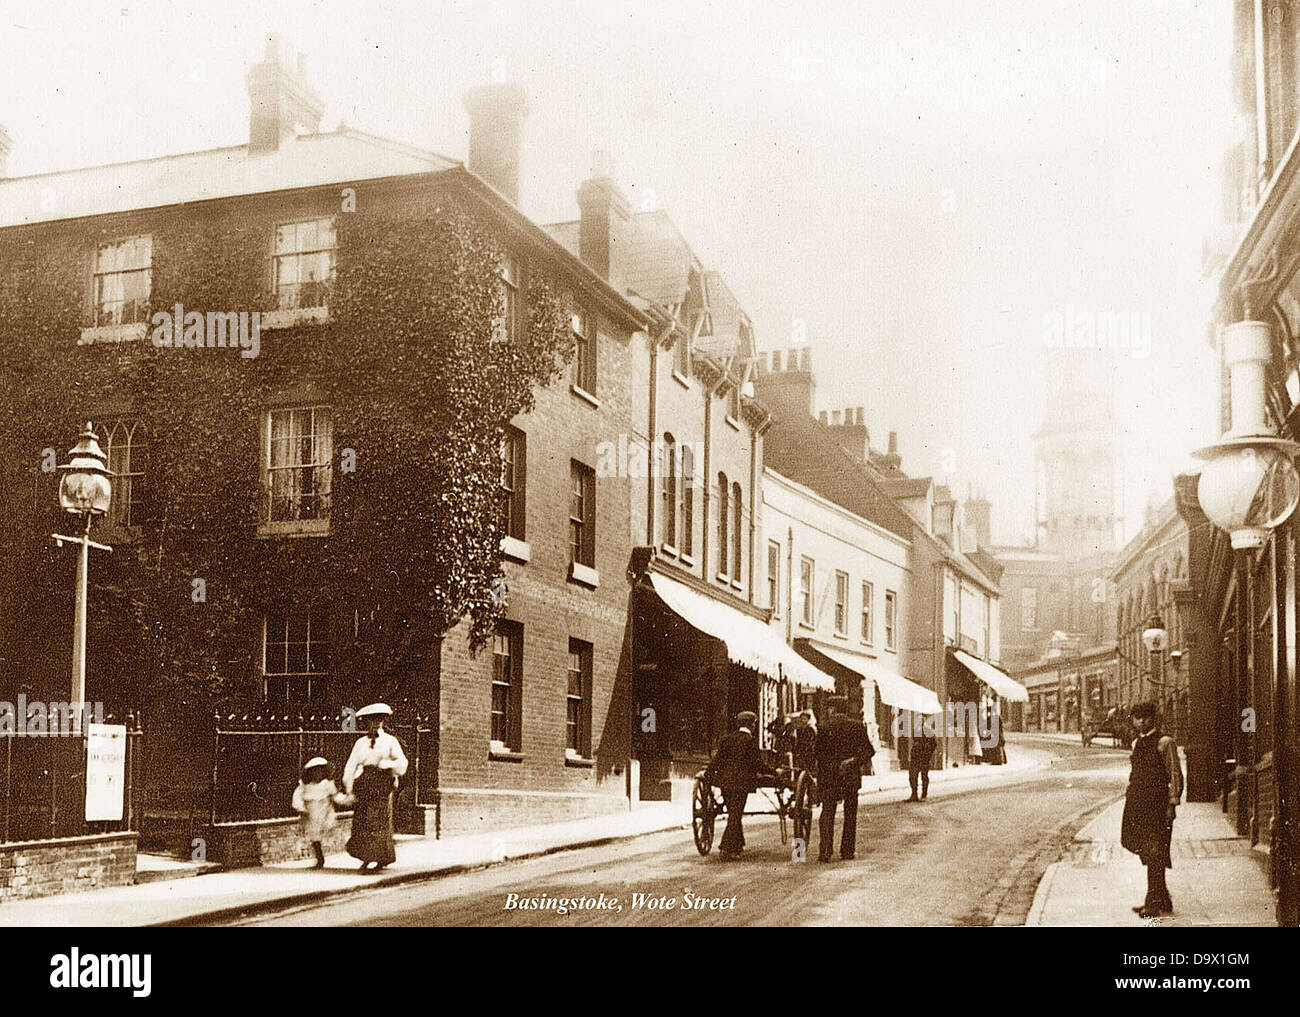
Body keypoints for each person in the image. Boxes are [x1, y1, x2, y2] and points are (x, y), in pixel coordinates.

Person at [1120, 701, 1183, 918]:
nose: (1141, 721)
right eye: (1137, 717)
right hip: (1137, 802)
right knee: (1132, 841)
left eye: (1146, 717)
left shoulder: (1165, 743)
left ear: (1153, 718)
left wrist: (1172, 803)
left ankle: (1153, 901)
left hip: (1157, 804)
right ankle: (1162, 897)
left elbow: (1175, 774)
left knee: (1154, 850)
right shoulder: (1136, 742)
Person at [343, 703, 409, 871]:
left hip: (382, 784)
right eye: (371, 721)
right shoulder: (360, 743)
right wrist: (349, 788)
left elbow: (402, 763)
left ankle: (378, 858)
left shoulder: (390, 741)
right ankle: (367, 857)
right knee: (363, 821)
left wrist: (386, 764)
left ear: (383, 722)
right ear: (366, 723)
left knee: (379, 822)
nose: (376, 724)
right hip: (365, 784)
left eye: (379, 720)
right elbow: (351, 765)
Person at [703, 711, 770, 859]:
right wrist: (772, 772)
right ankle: (726, 849)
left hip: (725, 784)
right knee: (735, 814)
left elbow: (717, 760)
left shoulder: (727, 739)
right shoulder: (750, 741)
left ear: (738, 724)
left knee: (733, 812)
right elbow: (757, 764)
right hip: (741, 784)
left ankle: (737, 845)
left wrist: (707, 775)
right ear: (752, 725)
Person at [816, 696, 875, 861]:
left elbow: (818, 755)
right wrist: (853, 761)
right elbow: (869, 751)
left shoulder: (823, 727)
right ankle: (847, 851)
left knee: (827, 813)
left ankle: (825, 851)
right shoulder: (856, 726)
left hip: (829, 777)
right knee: (850, 815)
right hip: (850, 776)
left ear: (833, 709)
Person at [292, 756, 343, 868]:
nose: (317, 774)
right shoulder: (305, 786)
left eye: (320, 771)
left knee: (326, 830)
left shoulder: (327, 784)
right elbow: (297, 797)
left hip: (324, 811)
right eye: (314, 771)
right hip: (311, 813)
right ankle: (320, 858)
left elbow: (335, 796)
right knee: (313, 834)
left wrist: (346, 800)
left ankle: (326, 853)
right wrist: (301, 808)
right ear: (310, 773)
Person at [906, 714, 937, 802]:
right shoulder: (915, 730)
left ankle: (924, 793)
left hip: (924, 756)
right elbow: (914, 741)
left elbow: (934, 744)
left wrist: (928, 754)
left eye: (921, 720)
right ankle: (914, 794)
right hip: (915, 756)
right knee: (912, 775)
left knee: (924, 775)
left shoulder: (929, 731)